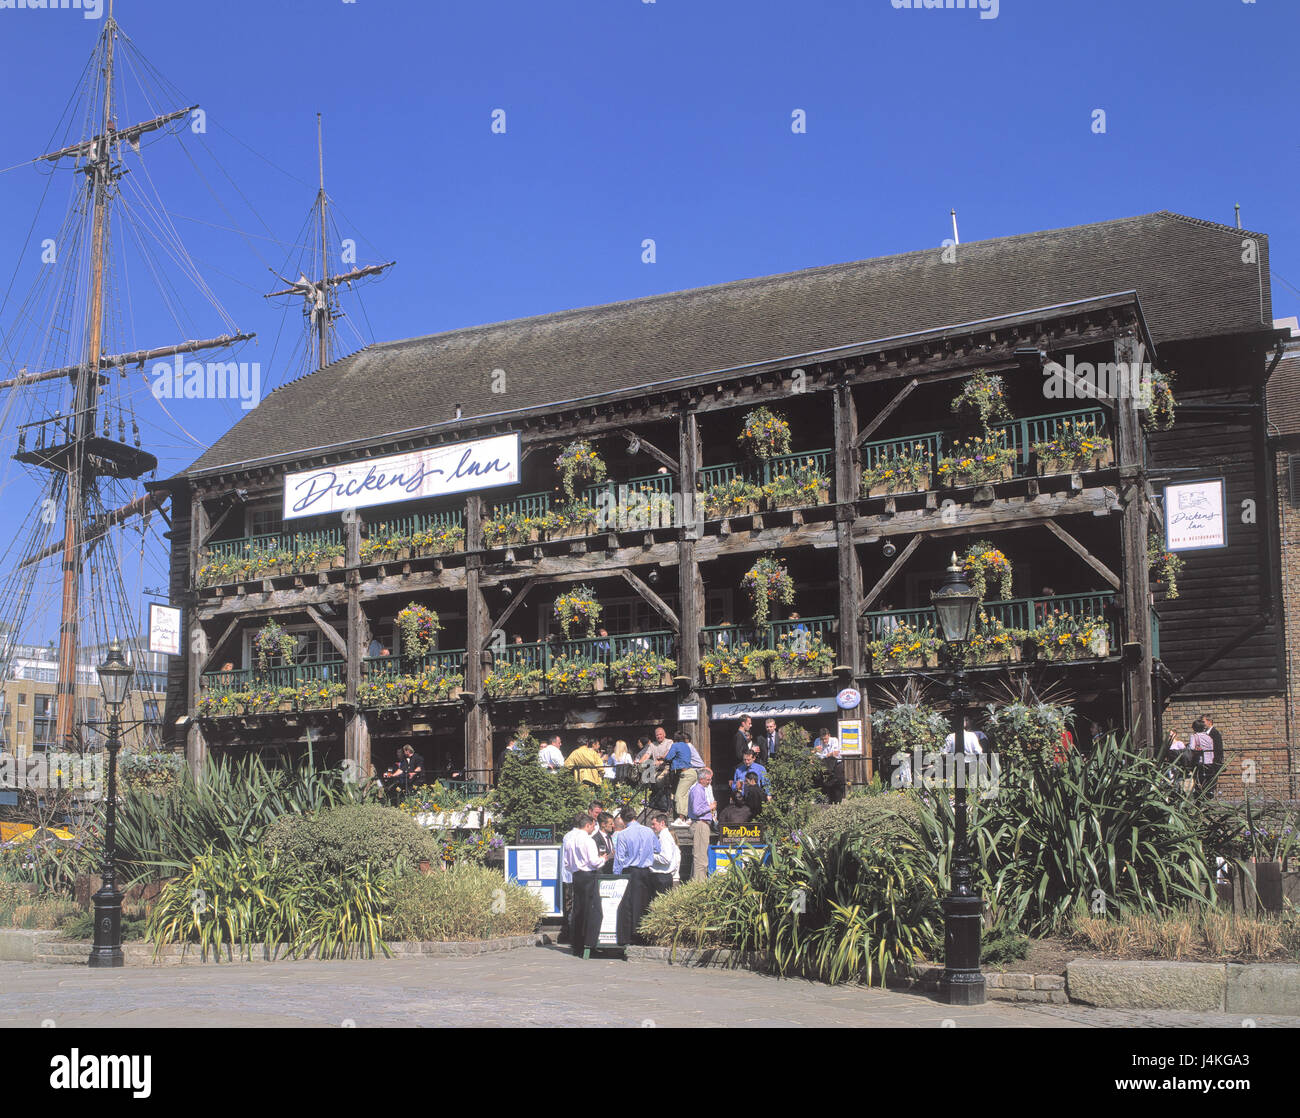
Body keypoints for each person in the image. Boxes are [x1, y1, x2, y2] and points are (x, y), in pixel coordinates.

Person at [561, 812, 607, 949]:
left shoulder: (570, 840)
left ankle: (577, 944)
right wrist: (603, 859)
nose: (594, 828)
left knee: (578, 909)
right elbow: (594, 862)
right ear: (587, 825)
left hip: (576, 876)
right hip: (588, 876)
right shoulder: (588, 840)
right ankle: (589, 942)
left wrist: (575, 869)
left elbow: (566, 863)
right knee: (593, 910)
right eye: (593, 825)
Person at [687, 767, 717, 882]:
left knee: (700, 855)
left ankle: (696, 881)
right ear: (701, 779)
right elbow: (696, 810)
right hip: (700, 824)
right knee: (701, 857)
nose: (710, 782)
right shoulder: (698, 790)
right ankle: (700, 884)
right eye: (708, 779)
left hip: (702, 824)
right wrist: (710, 807)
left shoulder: (700, 789)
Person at [665, 730, 702, 823]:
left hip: (685, 774)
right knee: (685, 796)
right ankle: (686, 817)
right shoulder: (687, 746)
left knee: (679, 795)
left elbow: (668, 757)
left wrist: (662, 758)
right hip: (692, 773)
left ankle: (681, 819)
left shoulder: (675, 745)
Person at [649, 812, 680, 895]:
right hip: (661, 877)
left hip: (662, 878)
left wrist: (650, 855)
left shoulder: (664, 837)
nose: (652, 827)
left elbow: (665, 858)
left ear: (662, 823)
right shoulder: (663, 836)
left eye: (654, 824)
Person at [814, 727, 845, 804]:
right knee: (821, 782)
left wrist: (824, 755)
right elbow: (816, 755)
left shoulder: (834, 740)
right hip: (823, 764)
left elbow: (835, 754)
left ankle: (837, 803)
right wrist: (827, 755)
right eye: (822, 739)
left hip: (836, 764)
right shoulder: (817, 741)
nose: (824, 741)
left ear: (829, 735)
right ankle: (822, 802)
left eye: (826, 739)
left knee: (837, 783)